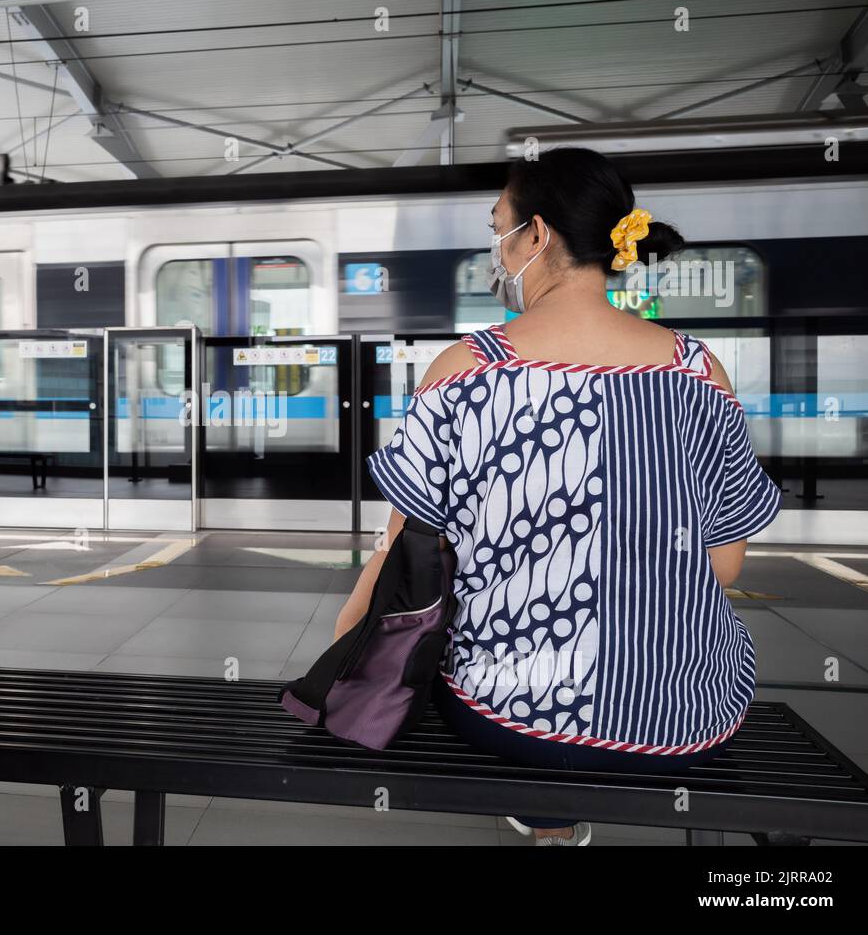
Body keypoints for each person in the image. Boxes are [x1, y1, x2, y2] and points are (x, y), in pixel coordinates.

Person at [335, 146, 782, 846]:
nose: (496, 250)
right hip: (689, 720)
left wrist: (336, 665)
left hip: (511, 719)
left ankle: (549, 818)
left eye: (498, 229)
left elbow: (400, 558)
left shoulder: (464, 370)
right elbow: (724, 567)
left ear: (536, 235)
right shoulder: (700, 371)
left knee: (493, 684)